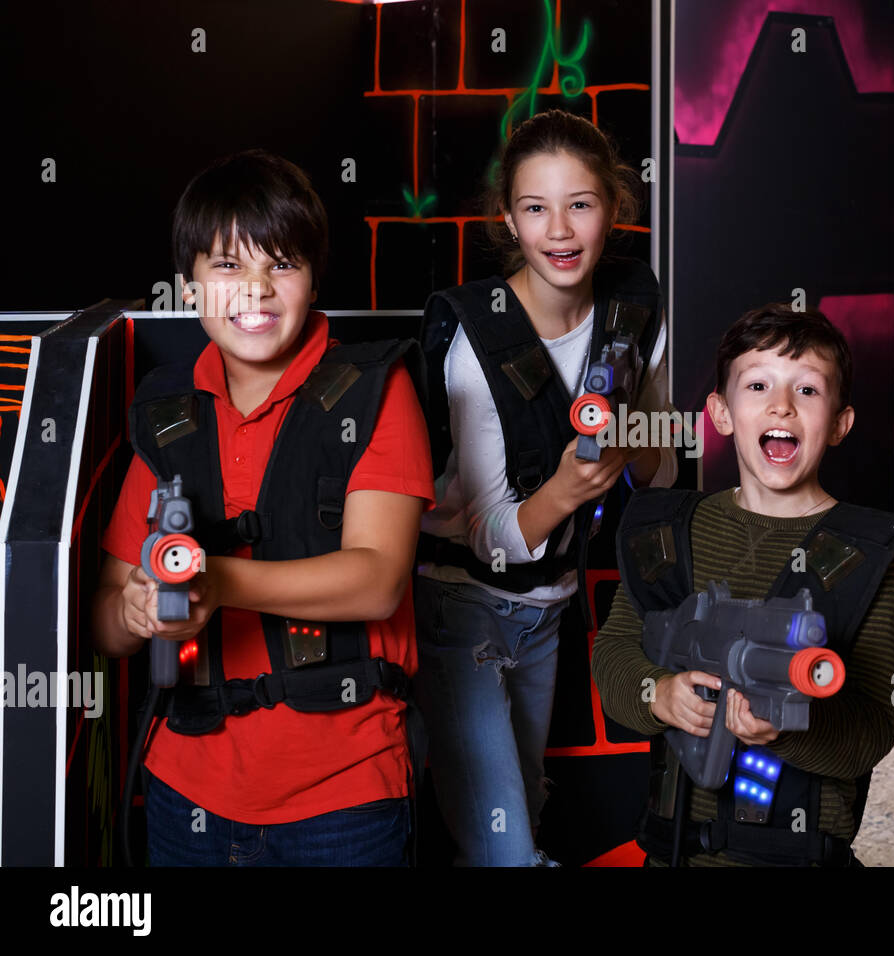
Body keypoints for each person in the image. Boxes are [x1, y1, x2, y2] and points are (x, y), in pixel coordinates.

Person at [93, 149, 434, 866]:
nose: (256, 289)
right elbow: (105, 617)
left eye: (281, 263)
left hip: (343, 798)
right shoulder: (164, 412)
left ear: (312, 279)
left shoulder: (372, 390)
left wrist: (216, 582)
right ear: (189, 286)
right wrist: (133, 610)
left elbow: (377, 580)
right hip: (183, 790)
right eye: (227, 266)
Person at [416, 109, 677, 866]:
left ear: (614, 209)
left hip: (549, 609)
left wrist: (634, 440)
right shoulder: (478, 339)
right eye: (536, 208)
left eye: (581, 204)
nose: (560, 230)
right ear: (509, 219)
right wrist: (568, 488)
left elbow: (664, 464)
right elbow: (487, 536)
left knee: (520, 810)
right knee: (505, 849)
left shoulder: (636, 308)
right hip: (462, 605)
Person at [591, 304, 894, 866]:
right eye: (758, 384)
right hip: (672, 853)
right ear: (720, 412)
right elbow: (614, 654)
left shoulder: (864, 554)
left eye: (808, 391)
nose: (781, 405)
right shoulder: (668, 532)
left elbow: (869, 733)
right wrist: (659, 693)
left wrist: (787, 731)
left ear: (840, 422)